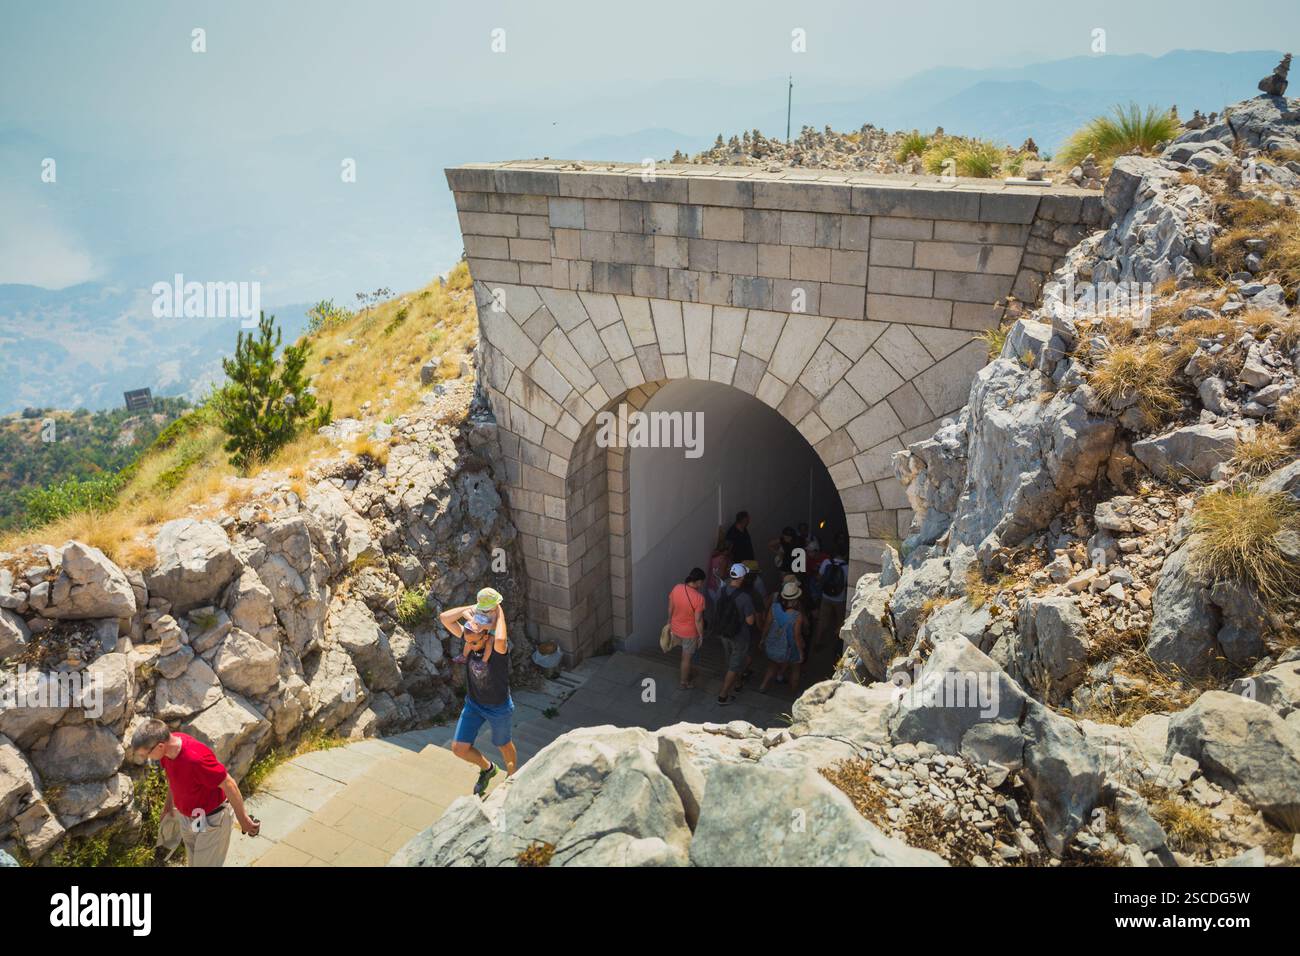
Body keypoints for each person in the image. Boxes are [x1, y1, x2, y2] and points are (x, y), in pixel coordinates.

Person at [130, 719, 260, 867]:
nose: (147, 759)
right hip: (189, 818)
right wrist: (168, 806)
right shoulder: (167, 751)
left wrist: (243, 819)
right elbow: (174, 780)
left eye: (146, 754)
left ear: (160, 746)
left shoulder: (195, 759)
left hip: (212, 820)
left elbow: (229, 784)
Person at [440, 586, 515, 797]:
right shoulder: (472, 636)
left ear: (485, 635)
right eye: (468, 642)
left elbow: (500, 639)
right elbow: (445, 618)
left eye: (474, 642)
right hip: (474, 704)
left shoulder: (497, 648)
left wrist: (498, 612)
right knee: (459, 748)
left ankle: (513, 777)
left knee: (503, 744)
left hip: (498, 706)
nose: (470, 646)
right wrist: (474, 608)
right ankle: (489, 769)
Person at [712, 562, 756, 706]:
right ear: (742, 577)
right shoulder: (745, 597)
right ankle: (723, 696)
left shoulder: (721, 590)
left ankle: (737, 684)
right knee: (734, 664)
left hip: (723, 632)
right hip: (739, 636)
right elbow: (750, 622)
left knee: (731, 659)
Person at [759, 581, 807, 694]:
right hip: (789, 649)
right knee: (795, 669)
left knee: (772, 665)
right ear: (796, 598)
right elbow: (797, 636)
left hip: (773, 644)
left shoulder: (774, 607)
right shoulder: (797, 616)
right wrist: (801, 653)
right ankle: (792, 693)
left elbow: (767, 625)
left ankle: (762, 686)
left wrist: (762, 639)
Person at [668, 568, 707, 689]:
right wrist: (701, 635)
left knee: (684, 654)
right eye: (702, 582)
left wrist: (669, 622)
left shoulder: (677, 588)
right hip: (689, 633)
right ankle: (684, 682)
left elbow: (670, 608)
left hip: (676, 628)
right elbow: (698, 620)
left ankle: (689, 673)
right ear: (699, 581)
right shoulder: (699, 598)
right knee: (686, 659)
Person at [815, 536, 851, 651]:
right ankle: (837, 646)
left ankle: (818, 642)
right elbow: (847, 585)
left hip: (826, 596)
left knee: (822, 620)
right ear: (845, 554)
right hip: (839, 599)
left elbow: (819, 577)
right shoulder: (847, 568)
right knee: (840, 621)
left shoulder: (826, 562)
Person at [706, 533, 733, 603]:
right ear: (726, 550)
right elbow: (722, 575)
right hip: (718, 588)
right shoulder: (723, 560)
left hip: (710, 586)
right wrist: (729, 573)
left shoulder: (714, 556)